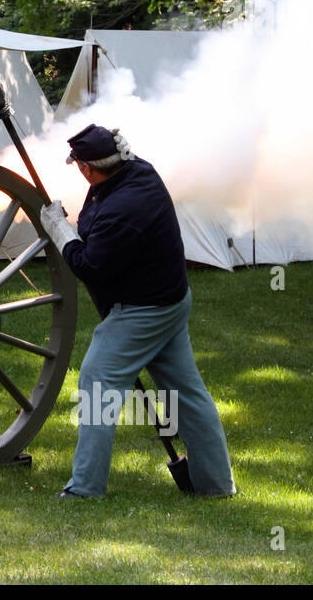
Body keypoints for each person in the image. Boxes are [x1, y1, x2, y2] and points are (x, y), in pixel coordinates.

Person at [40, 123, 235, 498]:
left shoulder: (124, 208)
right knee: (185, 394)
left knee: (96, 385)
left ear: (87, 168)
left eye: (78, 166)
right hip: (170, 299)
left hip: (145, 310)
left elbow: (90, 266)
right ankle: (216, 485)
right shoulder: (133, 171)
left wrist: (60, 231)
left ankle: (84, 489)